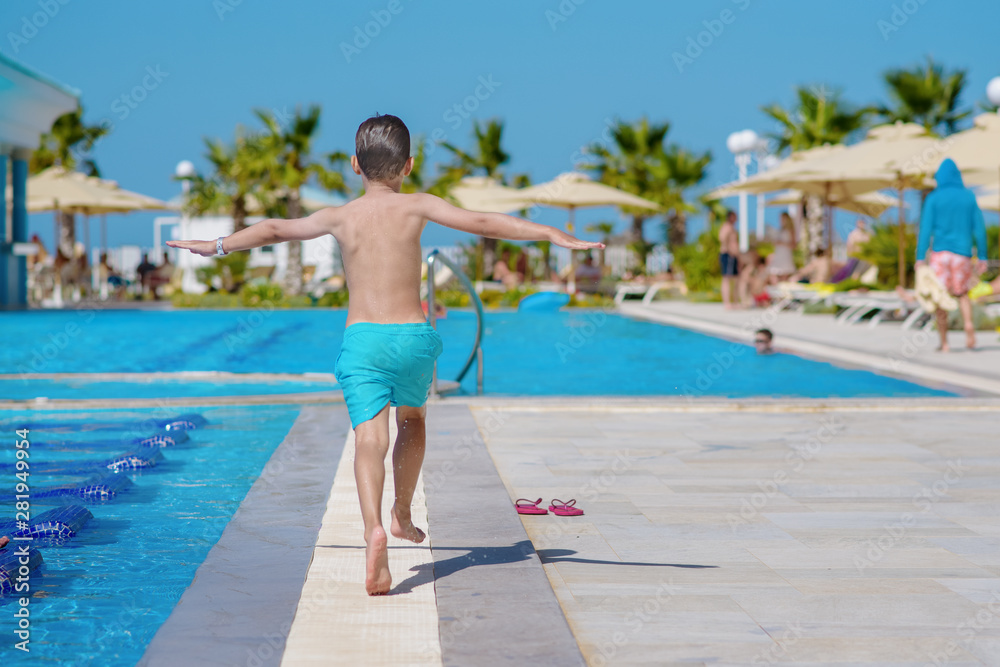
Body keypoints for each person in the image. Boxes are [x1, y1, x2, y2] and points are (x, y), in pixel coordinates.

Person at [168, 114, 602, 595]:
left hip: (364, 342)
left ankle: (374, 526)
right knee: (412, 421)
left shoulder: (339, 216)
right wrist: (548, 234)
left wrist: (216, 245)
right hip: (413, 337)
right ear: (409, 166)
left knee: (368, 439)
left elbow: (273, 229)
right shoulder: (419, 206)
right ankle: (402, 512)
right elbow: (482, 222)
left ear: (355, 165)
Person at [916, 158, 988, 352]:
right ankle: (968, 325)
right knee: (962, 293)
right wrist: (982, 255)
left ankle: (945, 342)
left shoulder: (934, 198)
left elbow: (925, 229)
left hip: (940, 253)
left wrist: (920, 257)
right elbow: (979, 229)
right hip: (962, 253)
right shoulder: (968, 197)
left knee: (940, 297)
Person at [830, 218, 872, 283]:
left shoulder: (867, 234)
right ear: (857, 223)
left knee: (859, 272)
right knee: (853, 273)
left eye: (863, 223)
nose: (862, 224)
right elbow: (850, 245)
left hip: (864, 257)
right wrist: (850, 255)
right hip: (855, 257)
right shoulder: (854, 234)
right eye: (860, 223)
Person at [719, 210, 740, 308]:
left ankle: (735, 301)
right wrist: (729, 249)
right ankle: (727, 303)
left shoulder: (731, 227)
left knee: (736, 279)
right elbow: (722, 238)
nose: (737, 218)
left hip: (733, 255)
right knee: (727, 279)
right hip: (728, 255)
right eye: (735, 216)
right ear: (730, 217)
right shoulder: (727, 227)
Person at [767, 212, 796, 282]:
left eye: (783, 218)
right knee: (774, 273)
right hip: (778, 254)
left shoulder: (790, 230)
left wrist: (781, 243)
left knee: (784, 275)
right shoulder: (780, 230)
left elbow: (793, 245)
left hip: (785, 255)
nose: (781, 220)